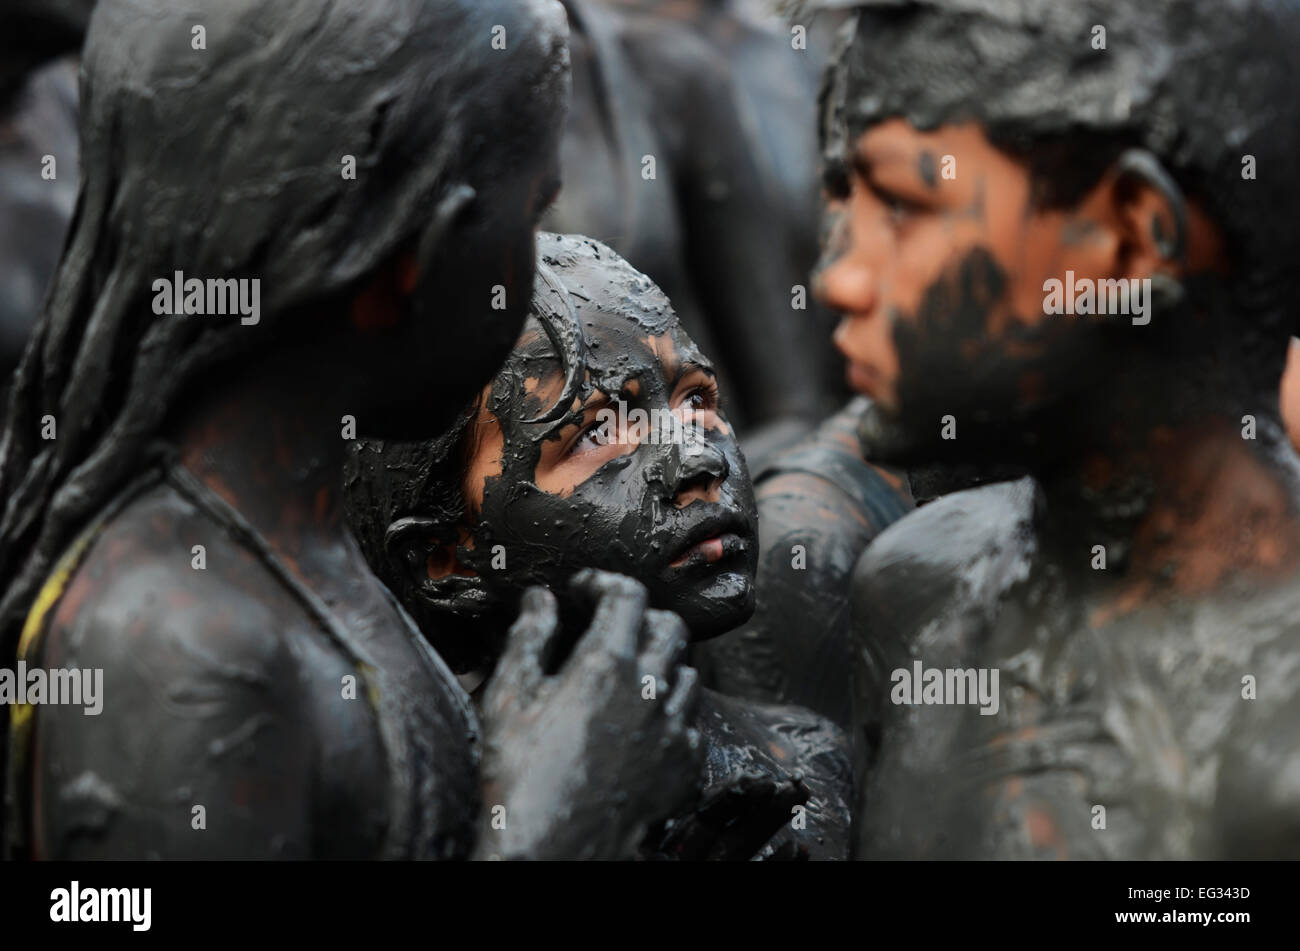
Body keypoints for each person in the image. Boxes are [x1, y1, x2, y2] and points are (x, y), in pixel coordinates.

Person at [0, 0, 700, 861]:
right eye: (533, 216)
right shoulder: (175, 643)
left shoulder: (297, 548)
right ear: (418, 261)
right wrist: (554, 829)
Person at [808, 0, 1300, 858]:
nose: (839, 278)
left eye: (903, 206)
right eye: (844, 201)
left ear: (1134, 238)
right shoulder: (916, 592)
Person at [345, 232, 852, 859]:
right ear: (445, 558)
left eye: (696, 398)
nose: (697, 457)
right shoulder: (426, 826)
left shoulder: (811, 760)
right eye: (598, 431)